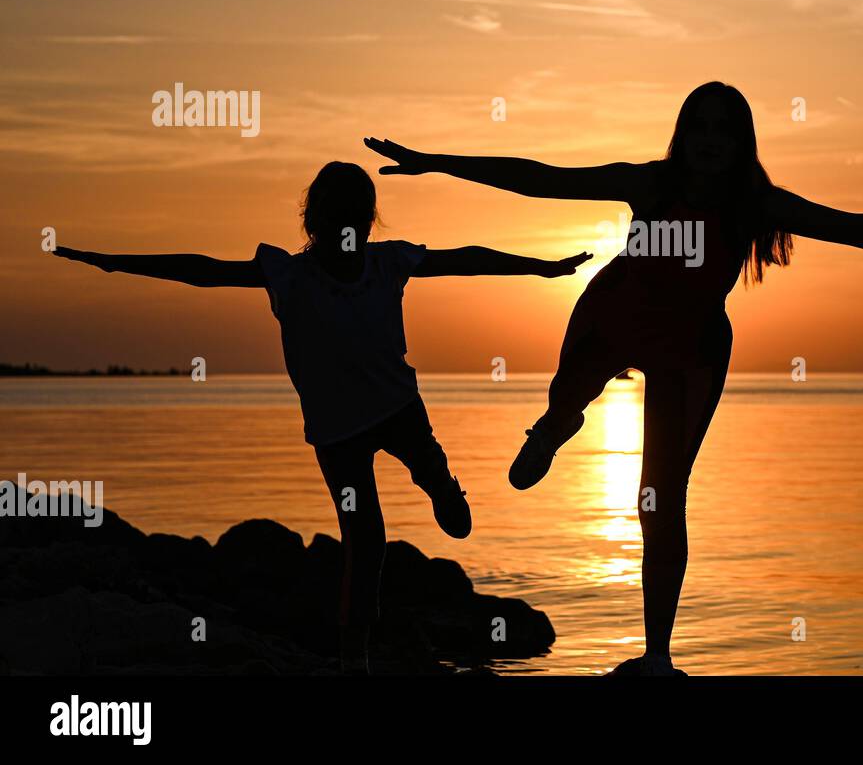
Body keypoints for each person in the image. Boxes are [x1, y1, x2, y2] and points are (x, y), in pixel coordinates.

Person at [365, 81, 863, 676]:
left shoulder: (758, 203)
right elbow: (539, 177)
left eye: (726, 129)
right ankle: (555, 426)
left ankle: (657, 655)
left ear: (742, 141)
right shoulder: (647, 182)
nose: (711, 140)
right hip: (615, 316)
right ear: (683, 134)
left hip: (690, 350)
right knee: (566, 396)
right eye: (700, 126)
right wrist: (434, 163)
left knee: (660, 499)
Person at [52, 160, 591, 673]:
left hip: (400, 409)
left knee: (427, 469)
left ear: (367, 223)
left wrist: (540, 267)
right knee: (367, 539)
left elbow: (465, 258)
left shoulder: (387, 262)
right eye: (336, 218)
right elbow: (202, 272)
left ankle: (443, 487)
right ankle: (353, 656)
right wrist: (115, 261)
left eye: (356, 219)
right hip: (339, 434)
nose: (346, 231)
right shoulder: (289, 275)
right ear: (314, 222)